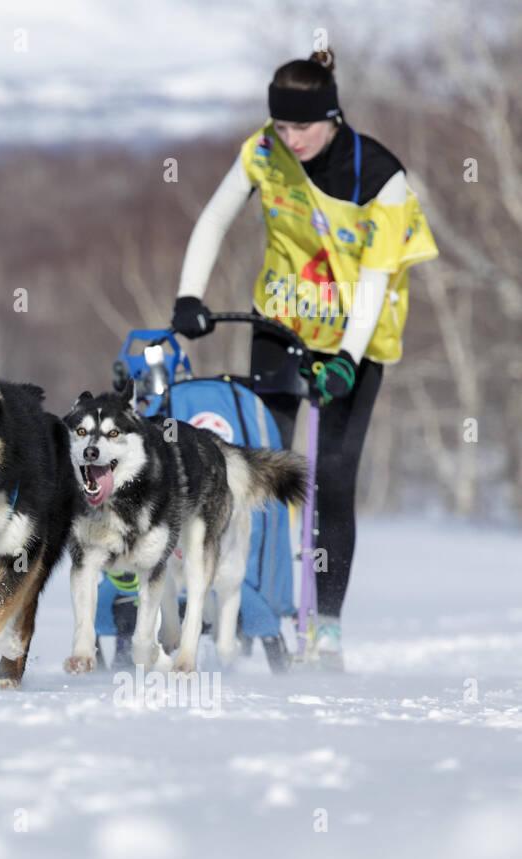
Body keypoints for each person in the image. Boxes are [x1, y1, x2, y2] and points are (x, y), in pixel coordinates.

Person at [170, 49, 438, 669]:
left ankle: (327, 630)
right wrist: (189, 295)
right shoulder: (264, 149)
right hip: (282, 320)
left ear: (334, 116)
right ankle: (254, 607)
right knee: (263, 471)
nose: (291, 141)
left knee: (332, 480)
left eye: (303, 129)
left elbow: (374, 279)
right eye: (281, 128)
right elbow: (213, 219)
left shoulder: (379, 176)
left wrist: (344, 357)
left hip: (358, 337)